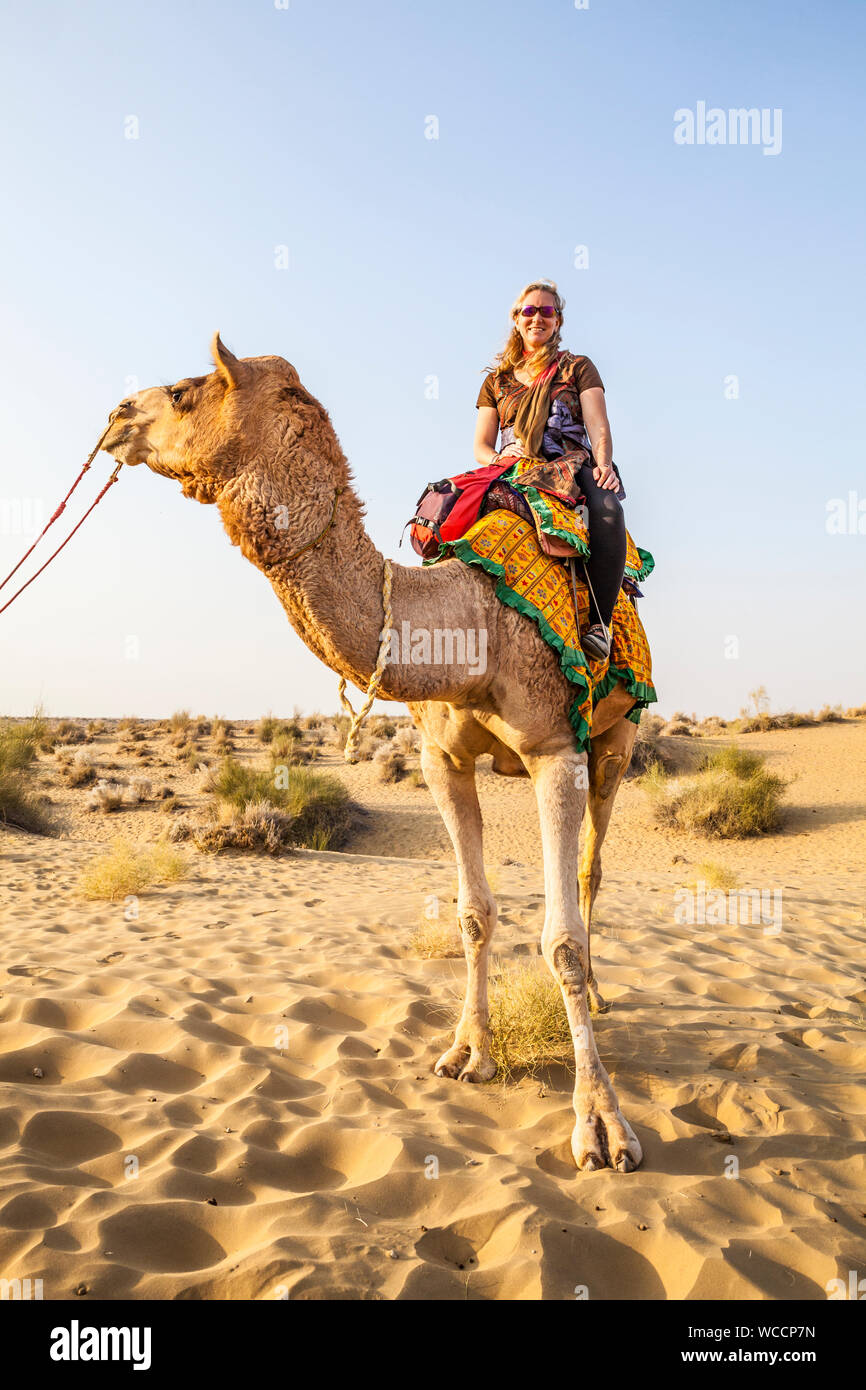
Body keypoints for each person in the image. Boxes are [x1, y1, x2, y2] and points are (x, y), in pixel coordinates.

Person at [473, 279, 626, 661]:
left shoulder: (577, 367)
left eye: (546, 311)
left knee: (608, 512)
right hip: (512, 467)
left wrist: (603, 463)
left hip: (570, 466)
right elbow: (480, 445)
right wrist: (499, 460)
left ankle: (598, 624)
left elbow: (598, 425)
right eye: (529, 310)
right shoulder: (496, 381)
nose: (537, 317)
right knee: (447, 512)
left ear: (557, 320)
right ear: (516, 319)